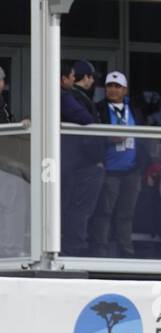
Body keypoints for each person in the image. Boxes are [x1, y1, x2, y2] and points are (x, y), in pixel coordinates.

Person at [90, 71, 145, 258]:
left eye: (117, 86)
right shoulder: (98, 109)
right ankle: (101, 252)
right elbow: (90, 137)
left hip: (132, 170)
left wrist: (144, 165)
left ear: (125, 89)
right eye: (109, 86)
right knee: (104, 212)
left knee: (126, 213)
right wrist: (107, 139)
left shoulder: (135, 110)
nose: (113, 90)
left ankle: (126, 252)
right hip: (108, 170)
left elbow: (145, 138)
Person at [59, 59, 104, 257]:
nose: (92, 81)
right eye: (91, 77)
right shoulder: (70, 96)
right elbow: (85, 120)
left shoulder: (75, 96)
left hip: (76, 164)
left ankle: (72, 250)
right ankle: (73, 252)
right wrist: (96, 157)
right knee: (78, 210)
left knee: (76, 209)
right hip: (80, 165)